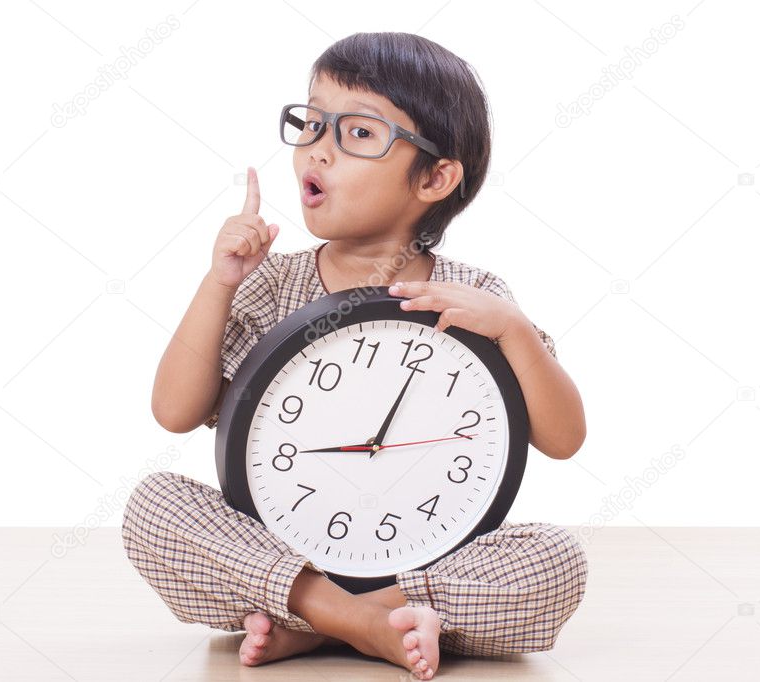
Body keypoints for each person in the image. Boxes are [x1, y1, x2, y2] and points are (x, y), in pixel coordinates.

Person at [123, 31, 588, 680]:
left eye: (358, 134)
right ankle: (362, 620)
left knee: (553, 560)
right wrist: (219, 282)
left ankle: (313, 622)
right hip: (281, 549)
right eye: (312, 122)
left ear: (433, 176)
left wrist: (511, 330)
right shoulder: (274, 283)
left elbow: (563, 438)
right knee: (154, 507)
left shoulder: (477, 297)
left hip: (427, 555)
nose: (318, 147)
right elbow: (174, 412)